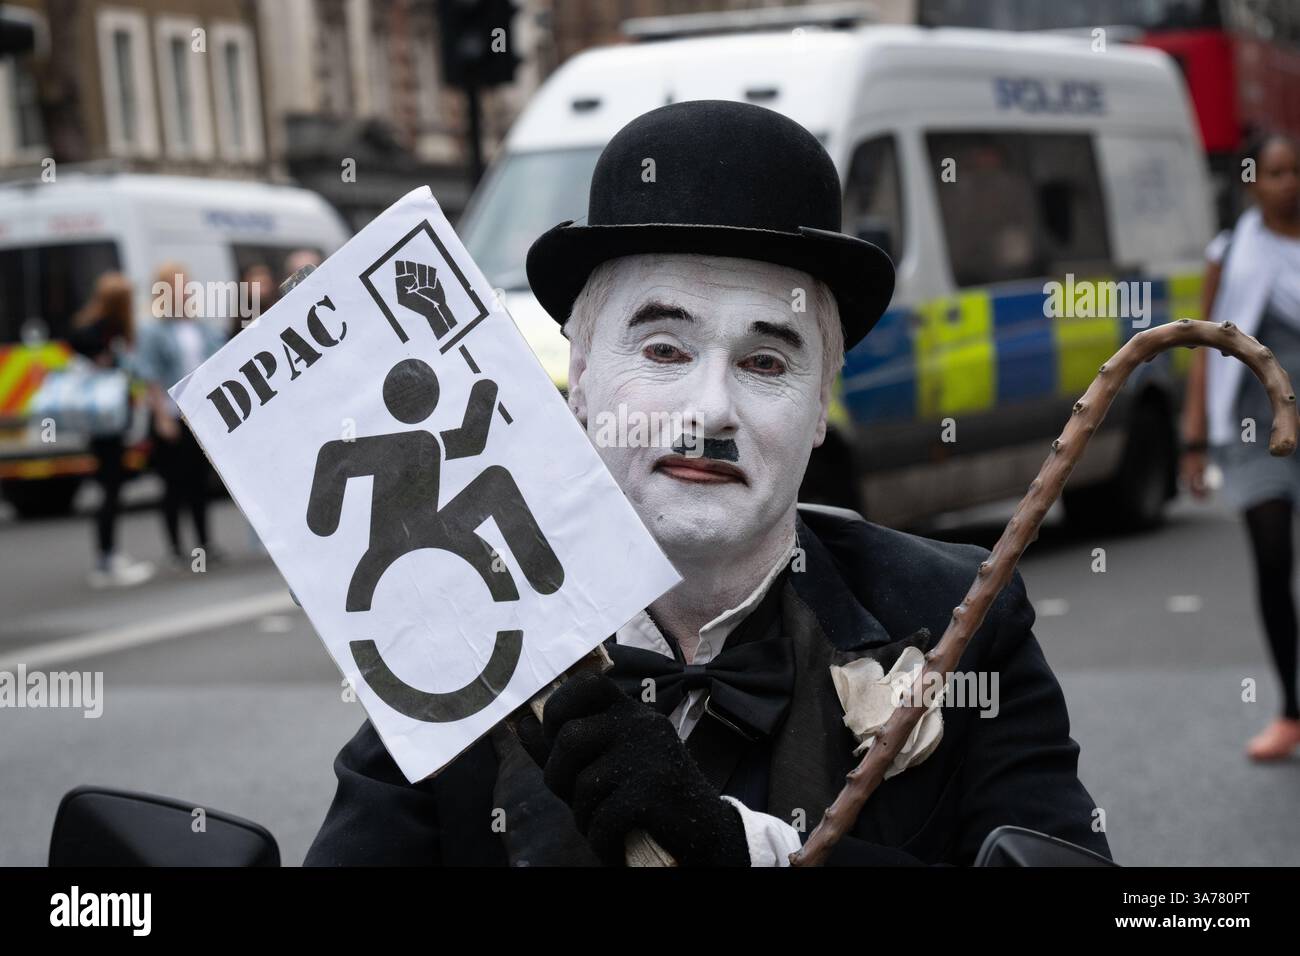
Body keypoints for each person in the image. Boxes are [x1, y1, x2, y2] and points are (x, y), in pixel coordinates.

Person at [305, 101, 1110, 866]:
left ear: (821, 403)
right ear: (581, 376)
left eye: (767, 363)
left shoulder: (957, 623)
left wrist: (744, 852)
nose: (711, 411)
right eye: (664, 350)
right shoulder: (455, 642)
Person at [1181, 132, 1300, 760]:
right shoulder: (1231, 253)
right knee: (1273, 553)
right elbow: (1204, 345)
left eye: (1294, 171)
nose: (1286, 183)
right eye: (1274, 173)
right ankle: (1291, 708)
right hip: (1258, 431)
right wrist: (1194, 438)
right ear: (1253, 183)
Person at [67, 273, 155, 589]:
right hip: (107, 422)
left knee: (111, 487)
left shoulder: (93, 328)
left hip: (104, 421)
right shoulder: (104, 331)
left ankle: (108, 556)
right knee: (111, 489)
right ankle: (107, 558)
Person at [135, 263, 225, 569]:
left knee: (200, 482)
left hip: (196, 416)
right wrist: (160, 416)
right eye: (178, 285)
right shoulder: (152, 329)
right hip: (170, 416)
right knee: (174, 484)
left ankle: (205, 543)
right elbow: (150, 374)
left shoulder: (200, 326)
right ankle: (175, 549)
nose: (185, 290)